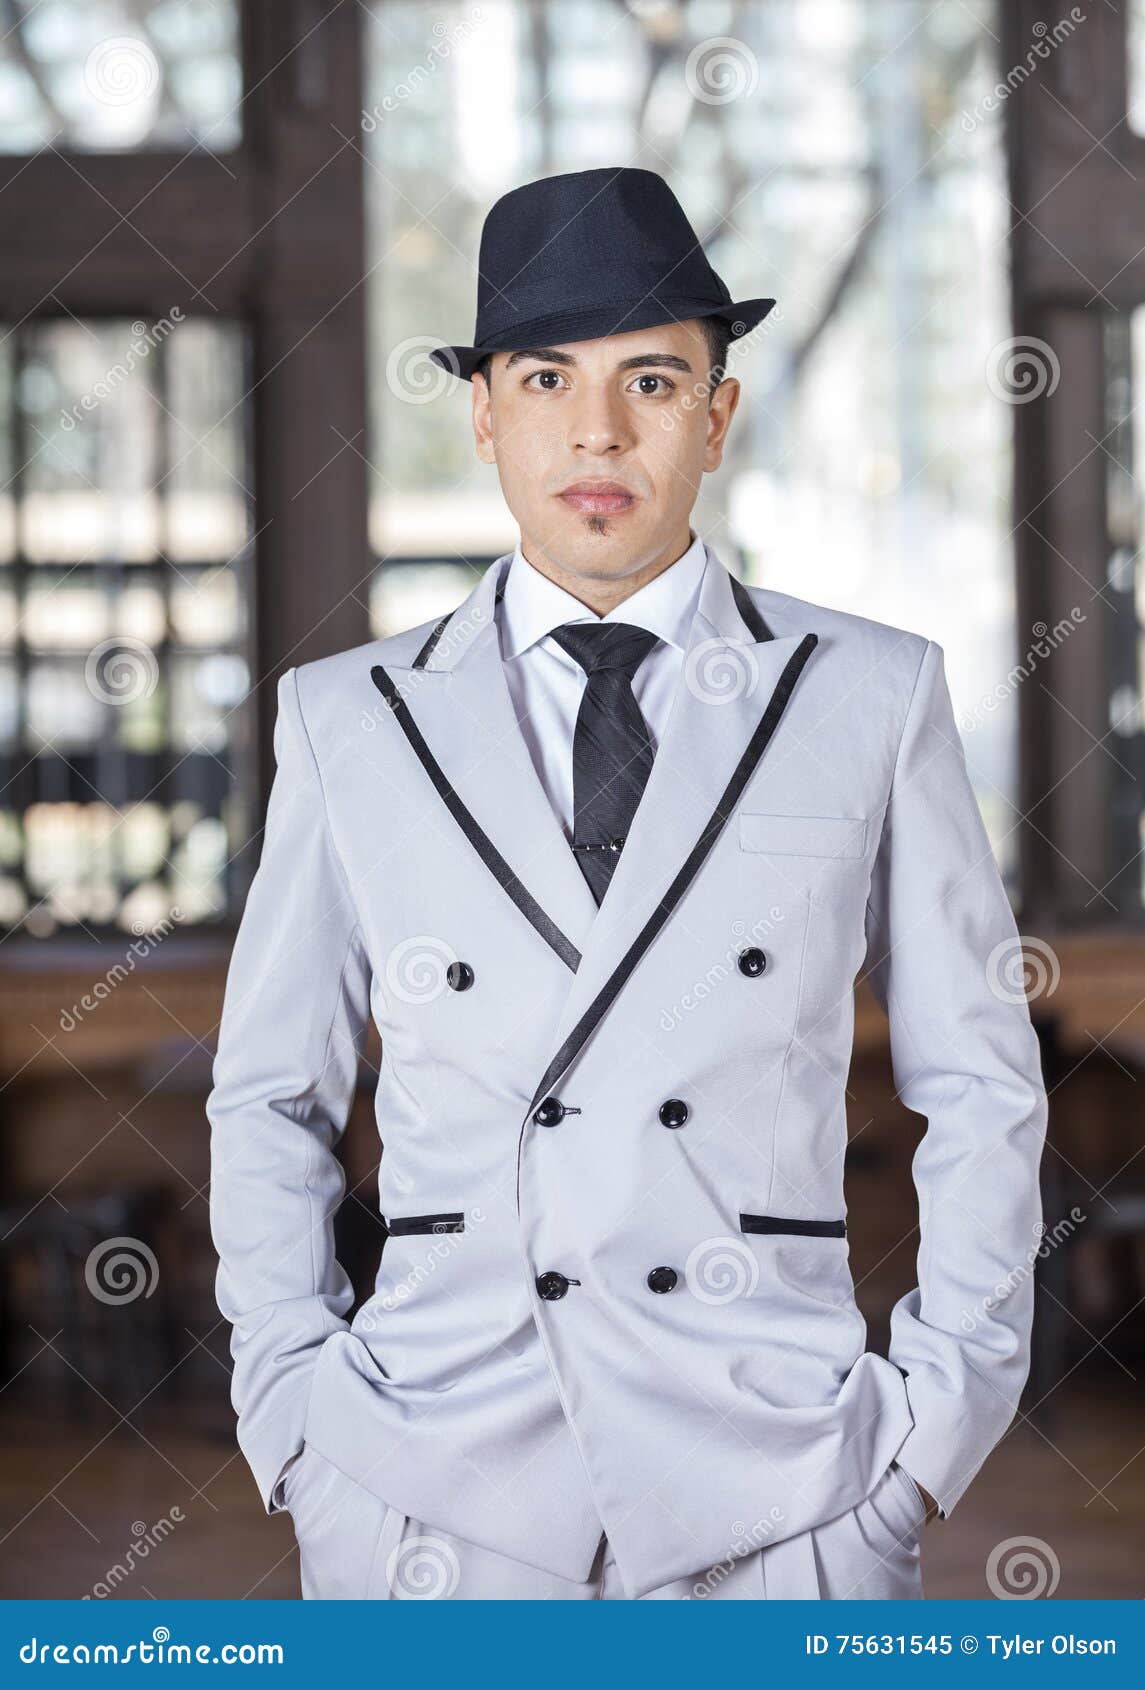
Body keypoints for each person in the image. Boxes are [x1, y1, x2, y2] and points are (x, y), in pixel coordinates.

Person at [208, 167, 1047, 1600]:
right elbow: (269, 1093)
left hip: (785, 1493)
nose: (596, 430)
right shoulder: (346, 718)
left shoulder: (871, 694)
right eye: (545, 377)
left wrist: (926, 1438)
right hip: (427, 1493)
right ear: (482, 409)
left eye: (651, 379)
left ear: (715, 416)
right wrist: (293, 1418)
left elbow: (978, 1083)